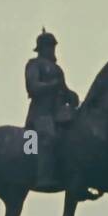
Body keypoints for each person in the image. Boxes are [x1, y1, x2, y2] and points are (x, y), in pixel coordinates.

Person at [24, 28, 79, 190]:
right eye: (49, 47)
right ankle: (43, 177)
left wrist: (71, 95)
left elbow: (64, 89)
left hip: (58, 114)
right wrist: (52, 86)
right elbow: (32, 87)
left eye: (53, 47)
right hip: (40, 114)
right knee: (48, 138)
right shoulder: (33, 64)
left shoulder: (57, 69)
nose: (52, 51)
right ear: (42, 49)